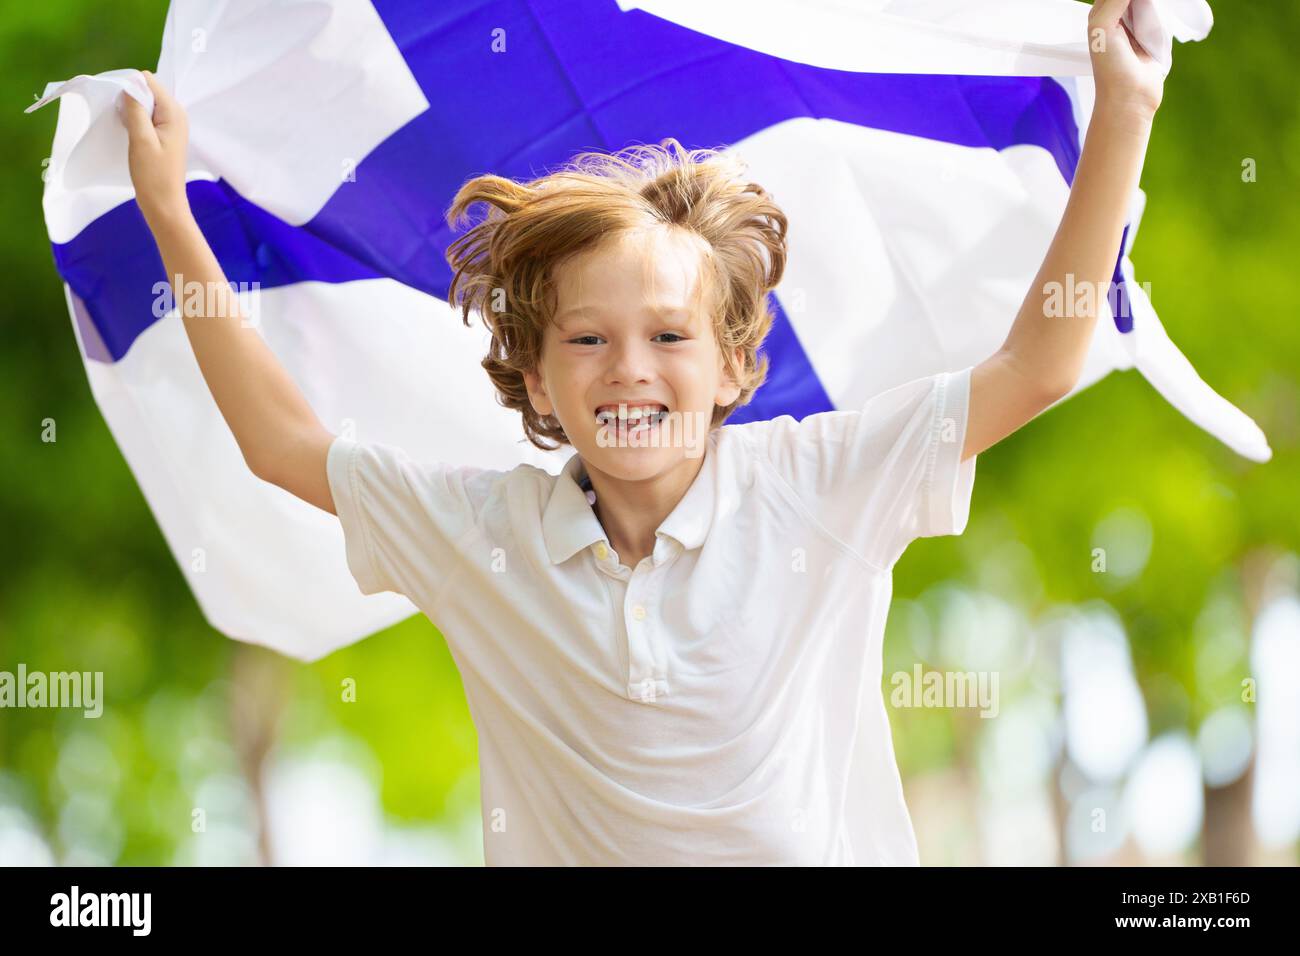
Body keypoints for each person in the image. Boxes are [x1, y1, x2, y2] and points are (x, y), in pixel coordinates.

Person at [121, 0, 1164, 865]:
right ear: (536, 377)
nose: (628, 366)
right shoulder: (482, 535)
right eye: (587, 339)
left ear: (733, 367)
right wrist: (171, 214)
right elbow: (279, 441)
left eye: (669, 335)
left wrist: (1125, 105)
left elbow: (1037, 365)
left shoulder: (818, 482)